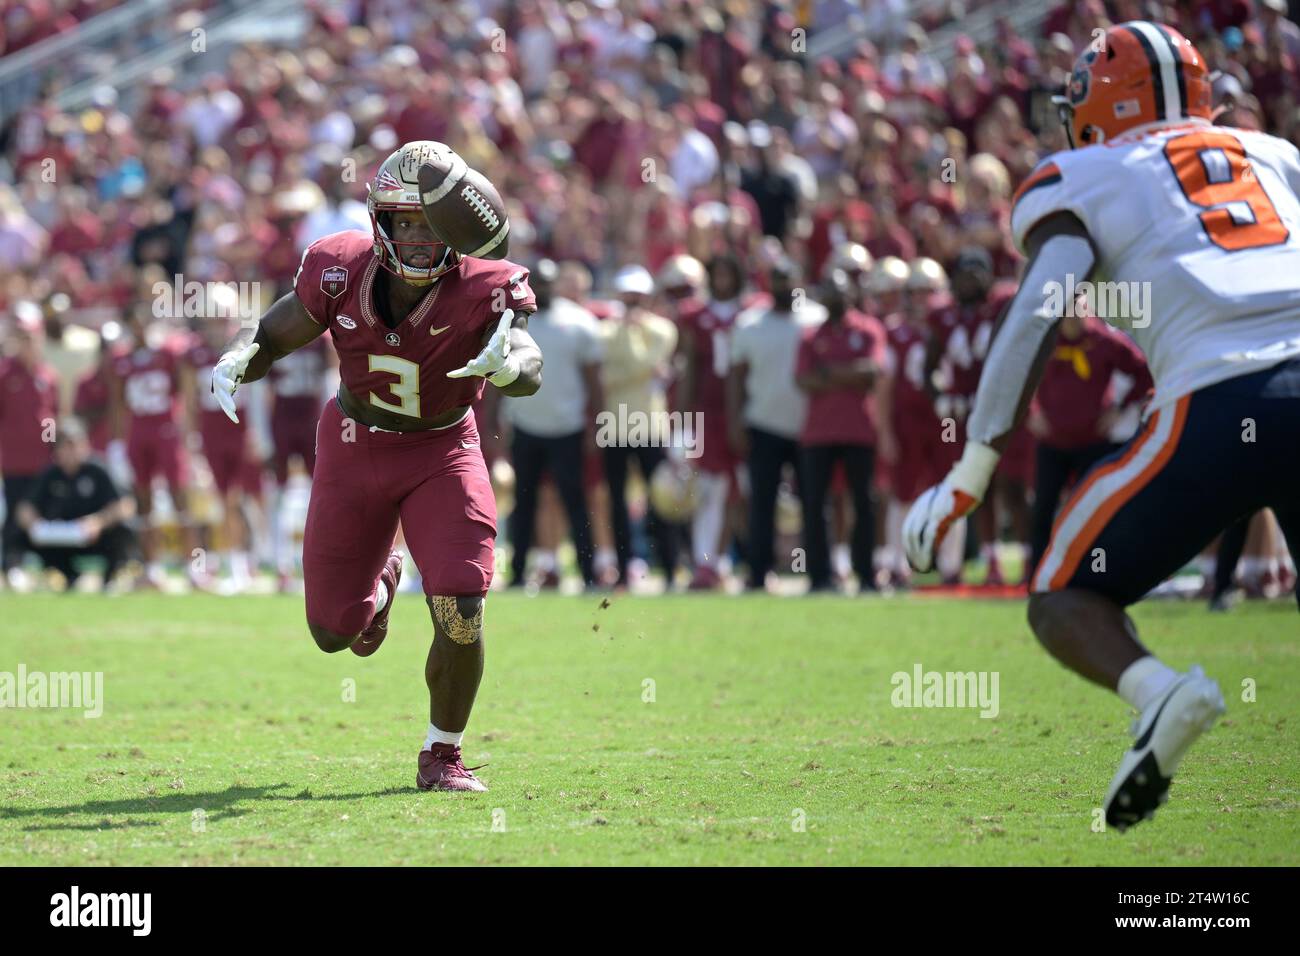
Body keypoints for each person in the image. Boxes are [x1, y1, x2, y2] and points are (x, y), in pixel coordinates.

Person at [904, 23, 1300, 830]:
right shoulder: (1278, 156)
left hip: (1219, 397)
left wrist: (969, 474)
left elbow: (1041, 310)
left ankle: (1160, 693)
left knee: (1062, 594)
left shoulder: (1086, 173)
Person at [210, 141, 542, 793]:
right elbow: (277, 332)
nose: (421, 238)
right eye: (408, 222)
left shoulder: (486, 284)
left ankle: (442, 753)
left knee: (461, 606)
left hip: (443, 450)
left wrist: (514, 365)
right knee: (334, 633)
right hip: (353, 444)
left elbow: (526, 357)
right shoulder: (338, 267)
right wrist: (240, 356)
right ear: (381, 223)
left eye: (434, 223)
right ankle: (385, 581)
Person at [1025, 305, 1152, 580]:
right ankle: (1035, 574)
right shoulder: (1045, 340)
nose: (1073, 315)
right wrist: (1031, 412)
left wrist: (1120, 407)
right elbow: (1019, 376)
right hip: (1053, 441)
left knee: (1092, 511)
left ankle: (1093, 571)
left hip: (1092, 441)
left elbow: (1144, 372)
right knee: (1043, 508)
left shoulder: (1106, 340)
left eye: (1077, 306)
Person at [500, 258, 603, 590]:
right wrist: (493, 424)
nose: (542, 289)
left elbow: (594, 382)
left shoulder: (579, 322)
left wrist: (594, 426)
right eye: (537, 283)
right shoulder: (513, 322)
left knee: (575, 502)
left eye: (547, 283)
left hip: (567, 427)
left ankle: (588, 572)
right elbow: (497, 378)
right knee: (523, 503)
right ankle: (517, 573)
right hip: (526, 424)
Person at [727, 258, 825, 590]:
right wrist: (735, 422)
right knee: (762, 503)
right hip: (763, 422)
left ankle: (819, 574)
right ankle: (758, 574)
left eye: (789, 279)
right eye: (778, 280)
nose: (784, 286)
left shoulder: (816, 318)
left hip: (811, 427)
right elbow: (736, 378)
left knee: (813, 502)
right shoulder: (750, 324)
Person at [795, 269, 893, 593]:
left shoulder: (867, 330)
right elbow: (803, 380)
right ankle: (820, 576)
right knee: (814, 504)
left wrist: (829, 372)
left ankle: (865, 573)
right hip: (818, 432)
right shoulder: (811, 335)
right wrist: (848, 373)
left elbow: (872, 372)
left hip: (857, 430)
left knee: (862, 503)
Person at [599, 264, 680, 588]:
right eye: (628, 295)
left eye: (638, 296)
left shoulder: (662, 329)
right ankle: (622, 570)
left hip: (649, 427)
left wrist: (629, 354)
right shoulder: (605, 331)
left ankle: (672, 568)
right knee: (617, 502)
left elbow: (624, 369)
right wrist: (642, 367)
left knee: (661, 500)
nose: (632, 301)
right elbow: (633, 369)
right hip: (614, 426)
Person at [14, 418, 136, 590]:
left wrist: (98, 522)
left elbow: (126, 506)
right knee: (20, 535)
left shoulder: (99, 470)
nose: (72, 451)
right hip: (61, 539)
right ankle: (62, 576)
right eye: (66, 445)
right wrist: (36, 525)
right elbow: (24, 508)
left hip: (94, 538)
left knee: (124, 530)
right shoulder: (50, 473)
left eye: (75, 445)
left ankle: (113, 577)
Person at [0, 308, 59, 587]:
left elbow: (54, 415)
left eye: (31, 336)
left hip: (43, 460)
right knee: (14, 514)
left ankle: (44, 566)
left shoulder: (48, 375)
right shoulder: (4, 373)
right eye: (22, 336)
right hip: (13, 459)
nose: (27, 342)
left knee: (42, 516)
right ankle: (12, 565)